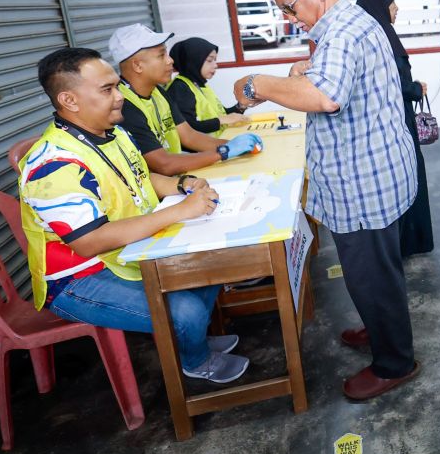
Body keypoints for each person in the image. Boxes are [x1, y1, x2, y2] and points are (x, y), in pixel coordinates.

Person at [232, 0, 420, 402]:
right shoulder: (348, 24)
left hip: (363, 181)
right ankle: (381, 329)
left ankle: (395, 362)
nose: (289, 17)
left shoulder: (340, 32)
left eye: (289, 6)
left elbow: (326, 97)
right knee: (374, 271)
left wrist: (261, 83)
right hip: (370, 170)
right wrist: (301, 73)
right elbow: (333, 82)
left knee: (371, 274)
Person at [18, 47, 249, 383]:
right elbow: (88, 241)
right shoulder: (53, 164)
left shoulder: (113, 134)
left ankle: (191, 334)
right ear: (69, 100)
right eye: (107, 90)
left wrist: (180, 185)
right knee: (186, 311)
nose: (119, 97)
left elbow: (141, 176)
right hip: (79, 278)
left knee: (209, 266)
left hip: (129, 251)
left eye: (116, 86)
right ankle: (195, 358)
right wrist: (181, 212)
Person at [108, 24, 262, 176]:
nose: (170, 61)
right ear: (138, 65)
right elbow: (164, 164)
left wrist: (235, 144)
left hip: (179, 178)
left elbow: (189, 136)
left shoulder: (158, 92)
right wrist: (223, 152)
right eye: (161, 55)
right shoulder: (123, 106)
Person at [356, 0, 435, 258]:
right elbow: (388, 82)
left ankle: (411, 241)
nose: (396, 8)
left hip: (395, 117)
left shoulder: (378, 33)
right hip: (395, 120)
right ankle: (409, 242)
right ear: (378, 5)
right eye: (391, 3)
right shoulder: (379, 37)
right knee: (408, 174)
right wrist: (413, 88)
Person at [166, 37, 249, 136]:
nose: (215, 65)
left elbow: (221, 115)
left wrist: (241, 106)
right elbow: (187, 127)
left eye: (215, 60)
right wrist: (221, 121)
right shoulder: (180, 88)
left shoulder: (199, 85)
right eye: (210, 60)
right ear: (193, 61)